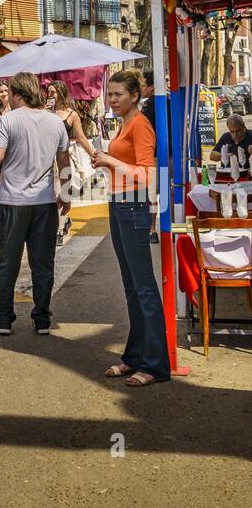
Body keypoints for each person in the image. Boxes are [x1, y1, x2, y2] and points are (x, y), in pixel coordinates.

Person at [93, 70, 170, 387]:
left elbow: (149, 177)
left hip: (134, 208)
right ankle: (135, 356)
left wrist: (111, 162)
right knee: (131, 287)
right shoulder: (125, 123)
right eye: (109, 94)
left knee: (144, 288)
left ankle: (155, 364)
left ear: (134, 96)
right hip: (119, 204)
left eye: (117, 95)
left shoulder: (140, 124)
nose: (111, 100)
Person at [0, 73, 71, 337]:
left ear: (16, 93)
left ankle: (3, 319)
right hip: (45, 201)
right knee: (43, 262)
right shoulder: (56, 122)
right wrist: (66, 195)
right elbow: (64, 161)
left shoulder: (8, 120)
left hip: (13, 201)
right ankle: (43, 318)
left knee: (8, 261)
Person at [44, 80, 94, 241]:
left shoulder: (72, 115)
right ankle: (60, 226)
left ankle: (61, 225)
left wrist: (94, 155)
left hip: (65, 158)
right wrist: (43, 115)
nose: (51, 95)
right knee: (51, 195)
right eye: (49, 92)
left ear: (62, 92)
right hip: (46, 159)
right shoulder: (43, 113)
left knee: (63, 194)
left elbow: (81, 138)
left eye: (54, 92)